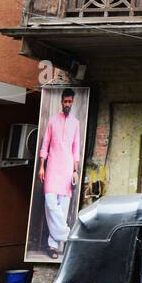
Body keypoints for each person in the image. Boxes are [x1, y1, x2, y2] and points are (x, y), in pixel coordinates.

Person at [37, 89, 81, 258]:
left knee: (62, 209)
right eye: (65, 101)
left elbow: (76, 148)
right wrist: (42, 166)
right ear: (61, 102)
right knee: (50, 204)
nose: (67, 104)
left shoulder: (76, 123)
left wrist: (75, 171)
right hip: (52, 166)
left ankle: (53, 246)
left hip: (68, 168)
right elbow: (45, 145)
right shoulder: (52, 121)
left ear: (72, 102)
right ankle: (68, 235)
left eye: (70, 102)